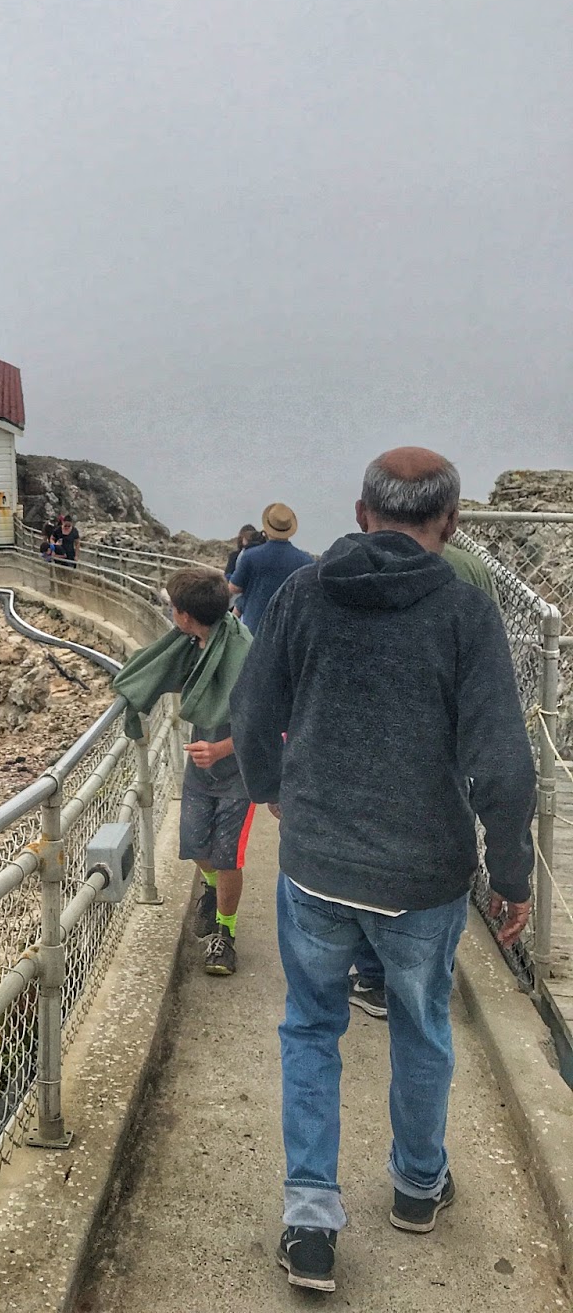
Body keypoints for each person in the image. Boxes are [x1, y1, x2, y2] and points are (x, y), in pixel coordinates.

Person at [230, 448, 535, 1295]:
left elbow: (253, 710)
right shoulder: (466, 613)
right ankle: (416, 1184)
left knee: (310, 1029)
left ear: (362, 513)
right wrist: (511, 874)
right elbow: (504, 766)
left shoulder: (302, 594)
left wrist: (273, 795)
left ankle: (311, 1225)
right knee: (420, 1027)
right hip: (422, 877)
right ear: (450, 524)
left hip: (319, 866)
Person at [349, 528, 502, 1019]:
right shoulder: (473, 571)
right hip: (448, 731)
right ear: (449, 519)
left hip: (379, 733)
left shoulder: (366, 566)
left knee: (372, 855)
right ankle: (425, 971)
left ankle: (375, 977)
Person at [113, 567, 254, 977]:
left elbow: (269, 721)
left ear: (185, 616)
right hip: (201, 768)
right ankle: (209, 889)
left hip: (238, 773)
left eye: (174, 608)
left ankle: (224, 935)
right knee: (195, 845)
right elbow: (158, 664)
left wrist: (222, 748)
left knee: (229, 858)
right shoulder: (197, 640)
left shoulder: (245, 653)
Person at [227, 503, 313, 632]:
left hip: (254, 625)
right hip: (287, 628)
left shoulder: (250, 556)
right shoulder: (306, 561)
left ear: (267, 527)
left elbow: (234, 588)